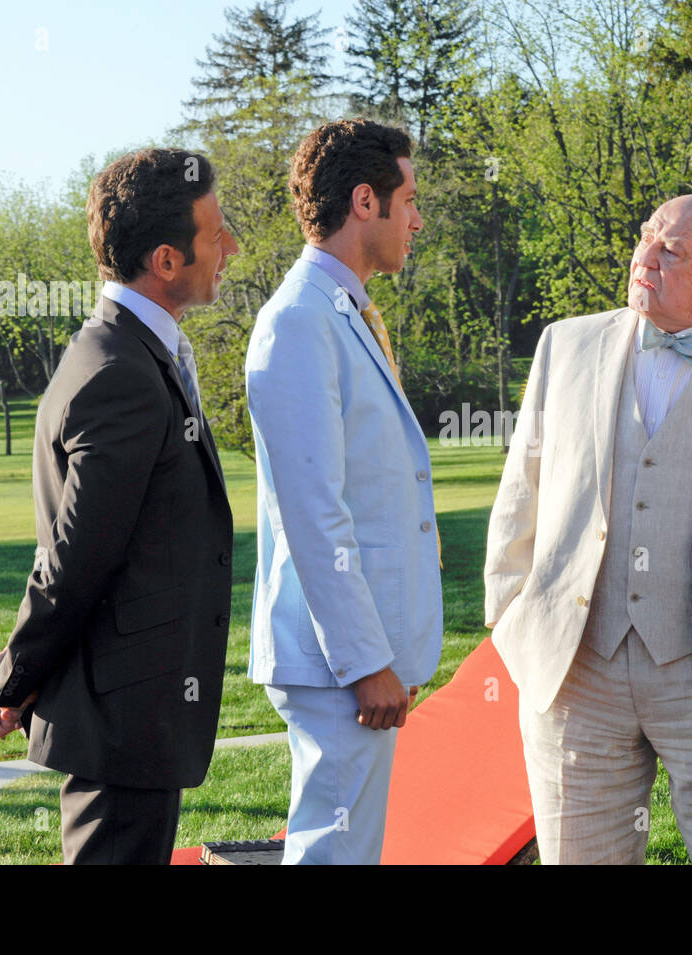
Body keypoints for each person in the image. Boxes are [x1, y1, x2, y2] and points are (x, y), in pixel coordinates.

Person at [484, 195, 692, 864]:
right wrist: (513, 618)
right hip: (577, 670)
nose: (645, 256)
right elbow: (522, 490)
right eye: (646, 238)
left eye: (672, 251)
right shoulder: (567, 343)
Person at [0, 148, 238, 864]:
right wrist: (15, 673)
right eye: (216, 233)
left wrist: (18, 666)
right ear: (166, 258)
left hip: (136, 717)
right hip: (125, 719)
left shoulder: (128, 354)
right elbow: (76, 557)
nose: (231, 246)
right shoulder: (120, 373)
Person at [246, 119, 441, 865]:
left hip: (353, 658)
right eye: (410, 199)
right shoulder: (298, 322)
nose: (417, 218)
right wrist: (364, 661)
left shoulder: (342, 311)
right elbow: (313, 516)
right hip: (337, 666)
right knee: (333, 855)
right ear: (367, 201)